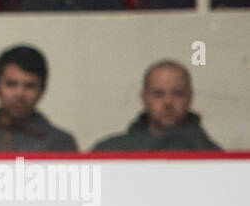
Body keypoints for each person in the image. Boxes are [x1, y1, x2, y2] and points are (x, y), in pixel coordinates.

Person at [91, 60, 222, 151]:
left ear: (190, 97)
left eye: (177, 94)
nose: (168, 102)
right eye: (158, 94)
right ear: (144, 98)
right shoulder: (110, 153)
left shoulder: (214, 158)